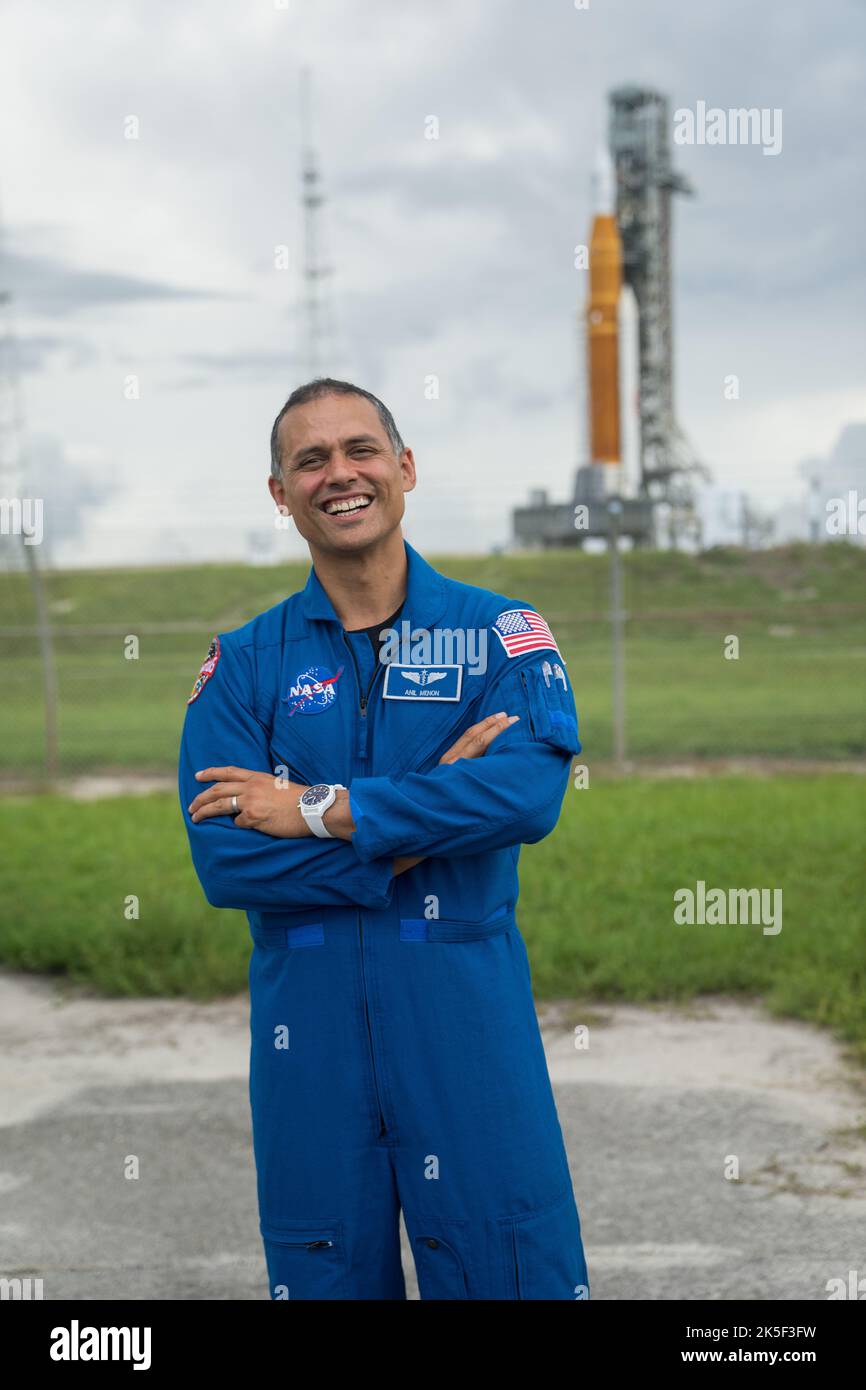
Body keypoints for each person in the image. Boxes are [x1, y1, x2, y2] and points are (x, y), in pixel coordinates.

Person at [178, 378, 590, 1300]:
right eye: (309, 460)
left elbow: (526, 795)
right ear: (281, 494)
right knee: (324, 1273)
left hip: (465, 1024)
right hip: (307, 1038)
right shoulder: (245, 662)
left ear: (403, 468)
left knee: (509, 1266)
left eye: (360, 450)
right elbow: (228, 857)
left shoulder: (498, 633)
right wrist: (426, 820)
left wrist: (323, 809)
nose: (340, 474)